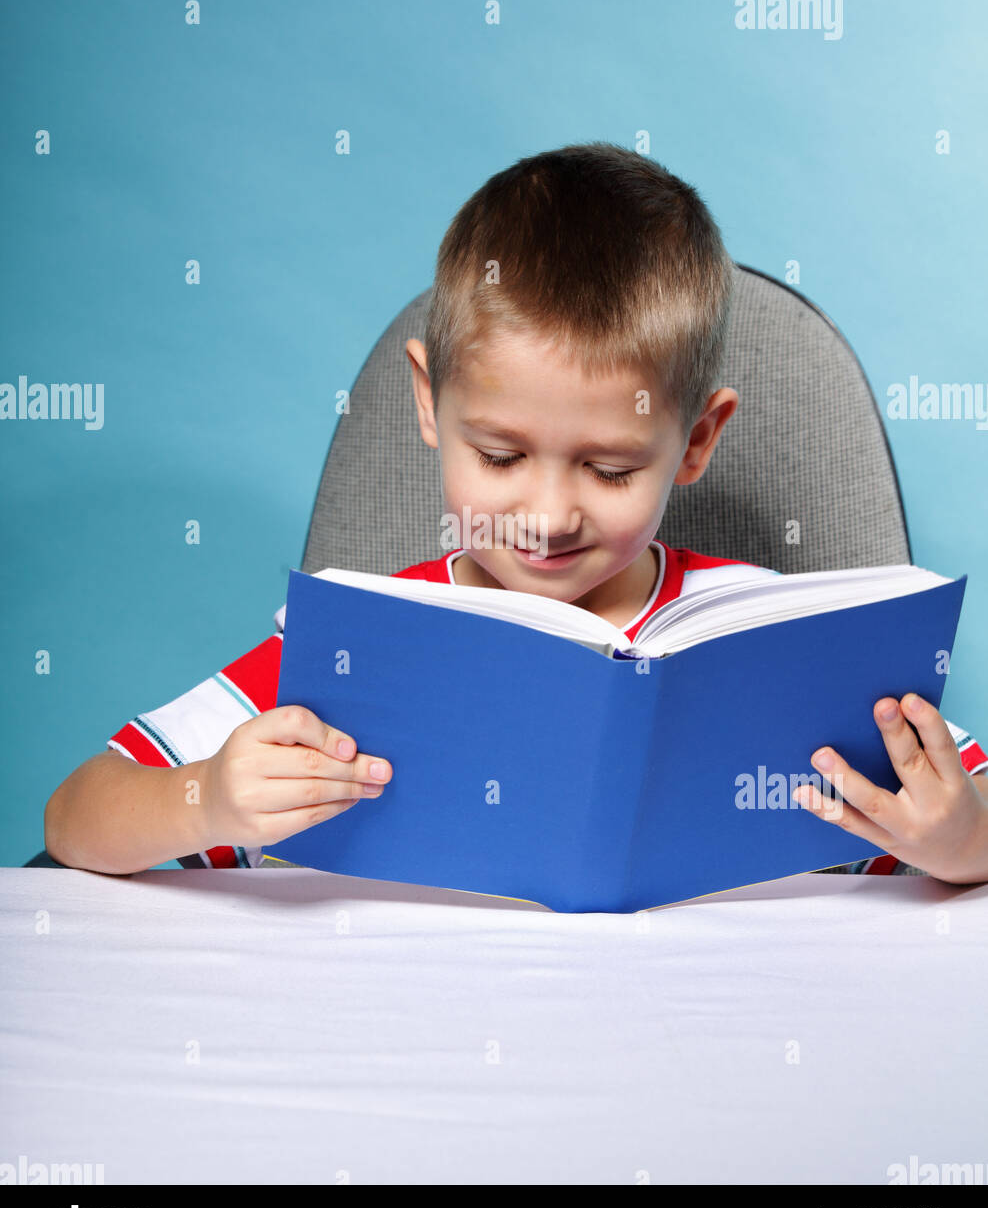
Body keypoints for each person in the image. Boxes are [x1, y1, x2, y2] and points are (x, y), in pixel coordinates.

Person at [44, 142, 988, 886]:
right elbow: (78, 817)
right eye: (499, 457)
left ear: (697, 440)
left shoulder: (778, 641)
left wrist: (956, 837)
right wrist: (208, 803)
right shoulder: (360, 644)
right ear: (428, 402)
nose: (545, 516)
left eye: (610, 469)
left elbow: (970, 807)